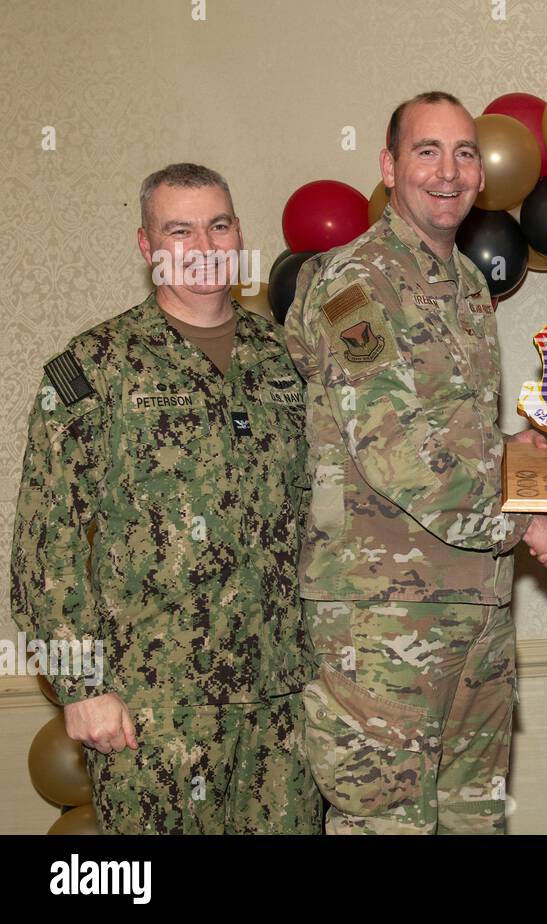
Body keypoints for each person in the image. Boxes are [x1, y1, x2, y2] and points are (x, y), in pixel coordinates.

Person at [283, 91, 547, 835]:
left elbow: (448, 436)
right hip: (381, 624)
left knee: (472, 822)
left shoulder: (465, 287)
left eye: (464, 153)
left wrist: (517, 456)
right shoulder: (354, 282)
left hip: (473, 610)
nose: (448, 172)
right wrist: (527, 525)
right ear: (389, 167)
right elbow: (397, 454)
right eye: (428, 151)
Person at [10, 163, 321, 833]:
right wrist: (83, 688)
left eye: (219, 225)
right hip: (154, 712)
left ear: (240, 234)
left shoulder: (287, 357)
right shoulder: (93, 367)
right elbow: (45, 546)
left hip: (282, 705)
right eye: (180, 231)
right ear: (147, 247)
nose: (205, 249)